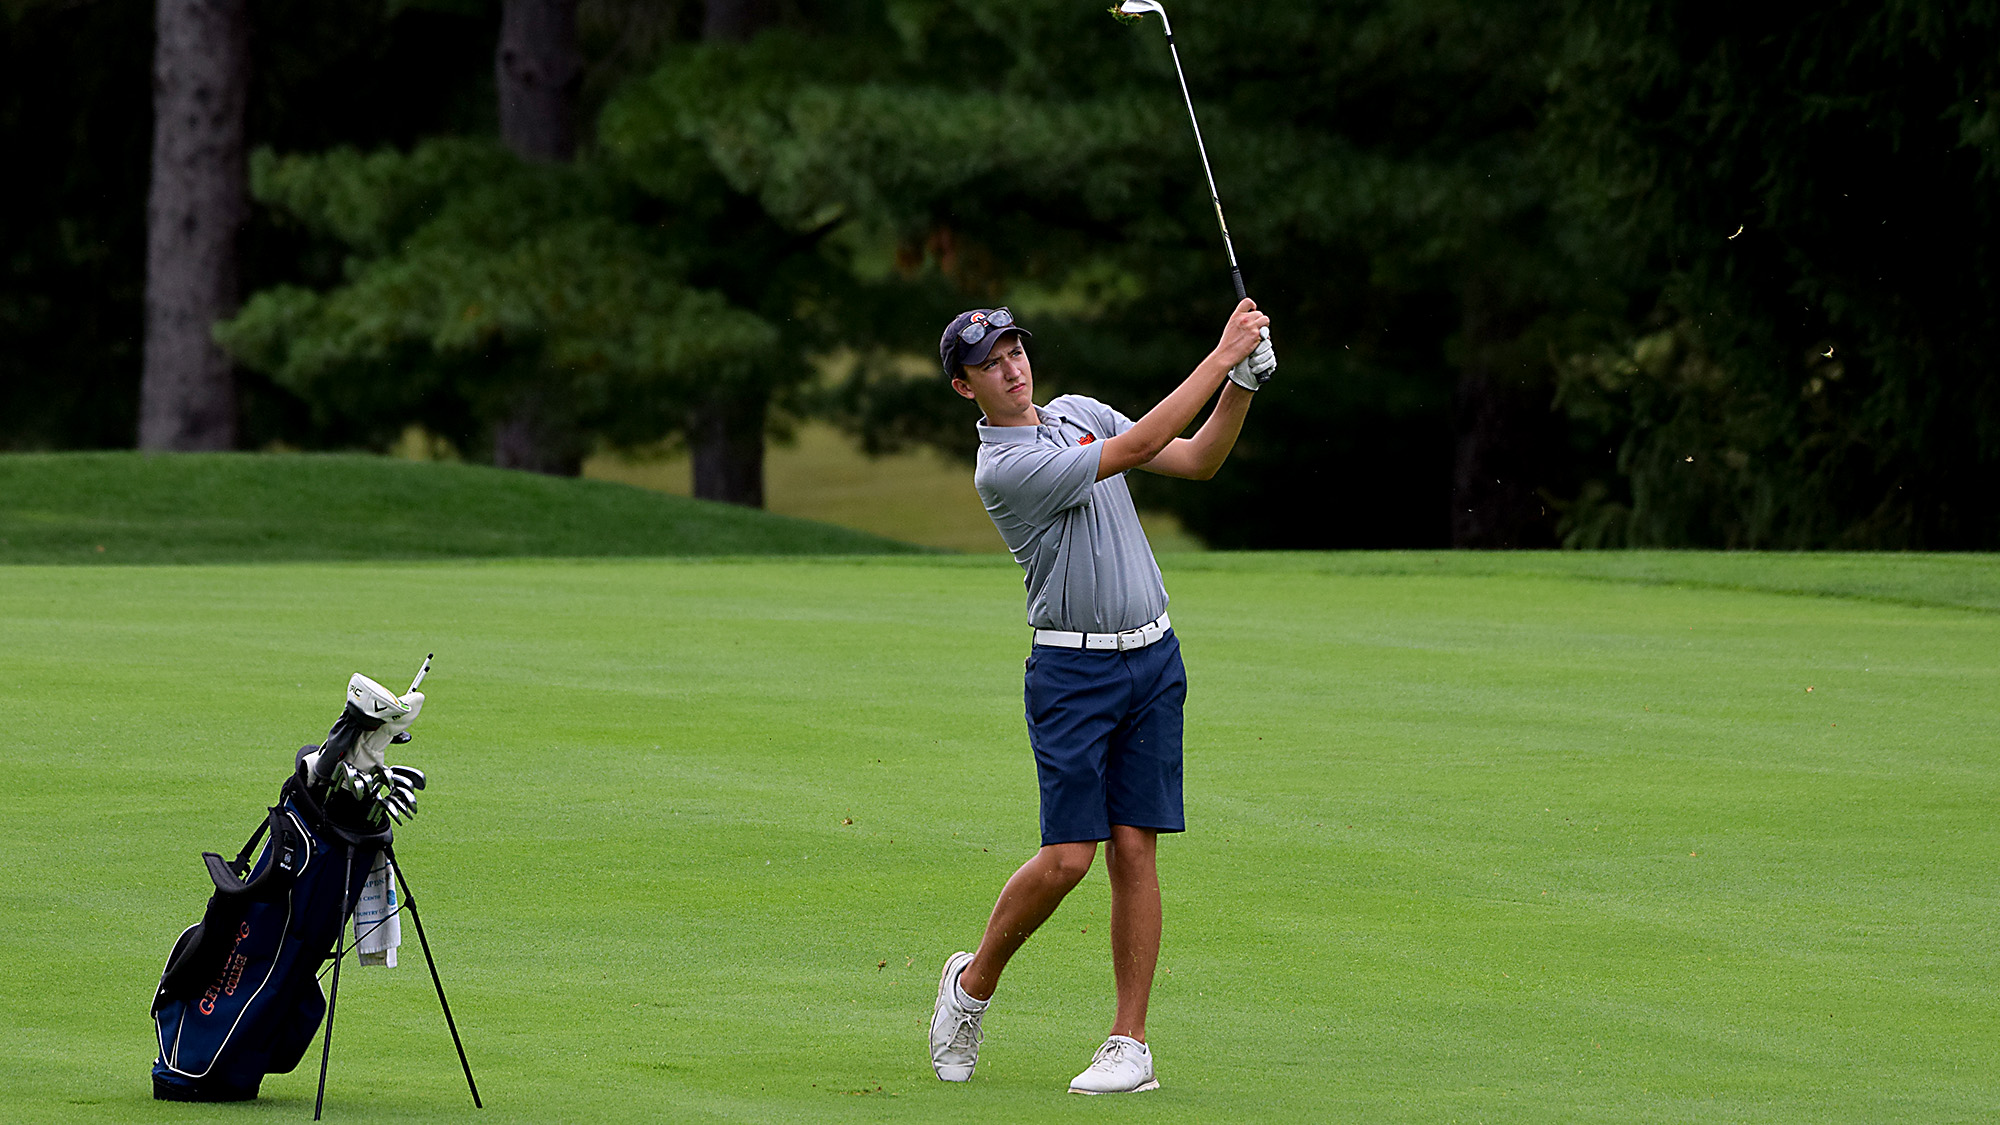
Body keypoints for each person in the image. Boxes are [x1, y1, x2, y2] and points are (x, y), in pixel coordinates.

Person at [928, 299, 1276, 1095]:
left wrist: (1243, 389)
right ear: (964, 387)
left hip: (1153, 658)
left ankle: (1130, 1043)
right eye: (992, 363)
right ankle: (971, 984)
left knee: (1134, 848)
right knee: (1066, 860)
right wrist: (1223, 354)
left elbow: (1192, 460)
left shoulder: (1077, 411)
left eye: (1016, 350)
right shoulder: (1004, 468)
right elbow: (1142, 443)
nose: (1013, 368)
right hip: (1072, 675)